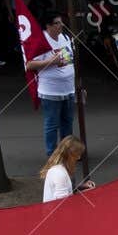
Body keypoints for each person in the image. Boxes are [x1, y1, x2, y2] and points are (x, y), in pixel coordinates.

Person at [25, 12, 76, 152]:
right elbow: (29, 65)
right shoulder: (41, 40)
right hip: (50, 91)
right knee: (52, 124)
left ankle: (66, 152)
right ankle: (52, 154)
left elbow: (70, 61)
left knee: (67, 123)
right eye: (57, 23)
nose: (61, 25)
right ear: (48, 26)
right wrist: (50, 62)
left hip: (69, 89)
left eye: (61, 22)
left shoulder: (65, 37)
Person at [39, 136, 88, 202]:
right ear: (70, 155)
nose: (79, 157)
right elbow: (63, 204)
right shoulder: (59, 174)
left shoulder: (60, 169)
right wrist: (83, 194)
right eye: (77, 155)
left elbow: (66, 193)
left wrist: (80, 188)